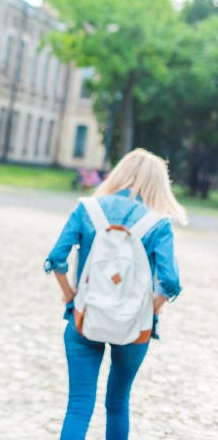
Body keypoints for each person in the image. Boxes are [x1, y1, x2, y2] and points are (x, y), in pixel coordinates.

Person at [45, 148, 186, 440]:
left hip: (85, 316)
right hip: (135, 327)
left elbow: (56, 258)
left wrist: (69, 294)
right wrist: (154, 307)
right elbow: (171, 281)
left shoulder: (88, 209)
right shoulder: (158, 223)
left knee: (79, 406)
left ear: (120, 173)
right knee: (118, 404)